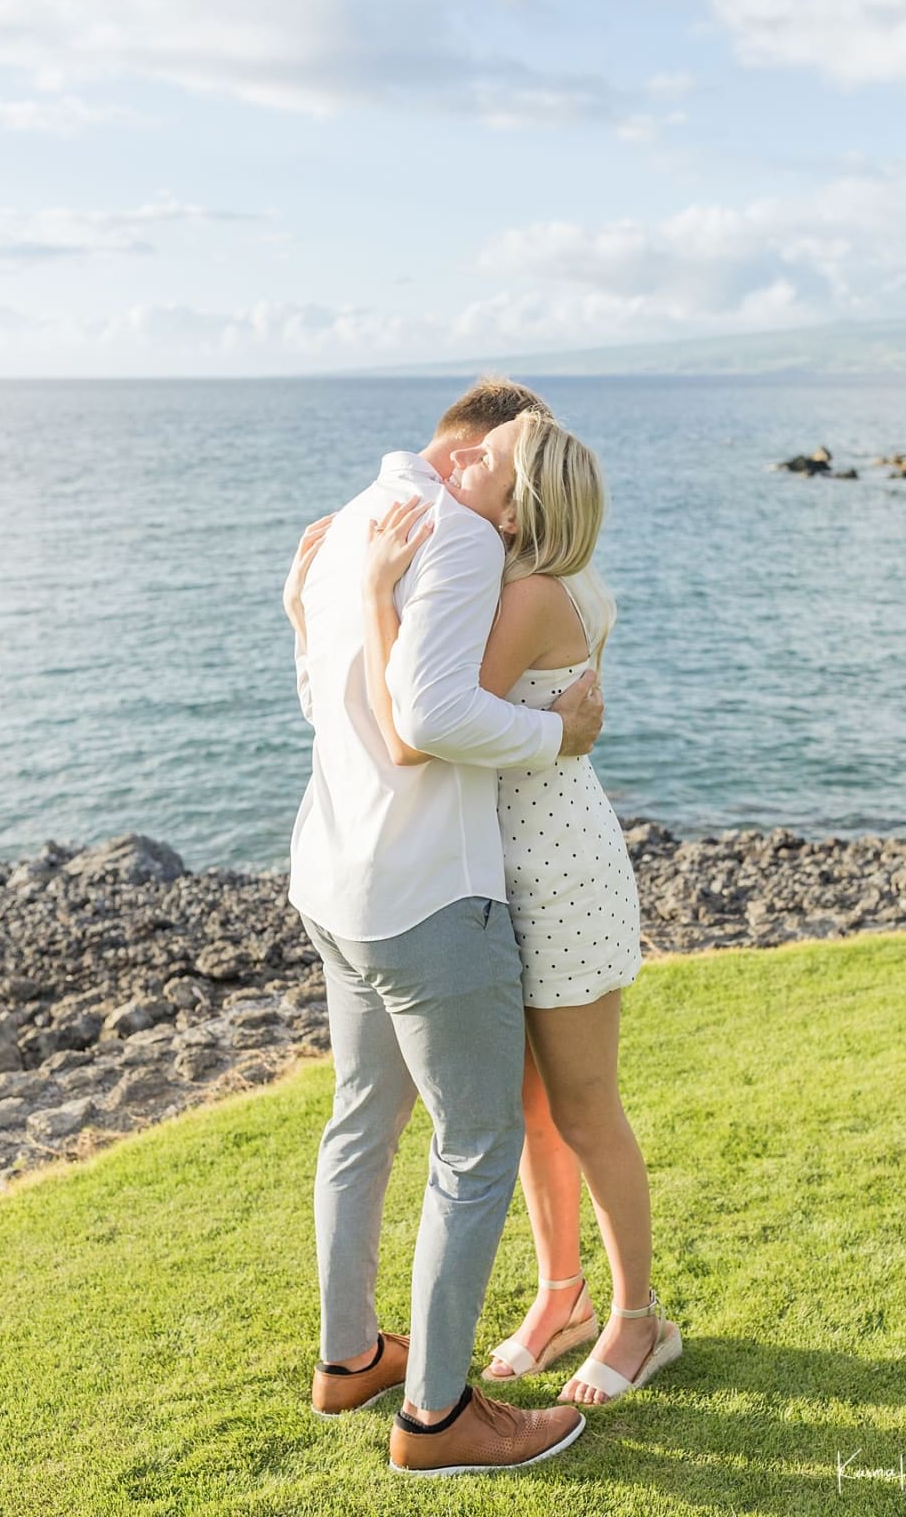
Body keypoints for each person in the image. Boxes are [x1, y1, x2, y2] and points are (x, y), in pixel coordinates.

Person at [284, 379, 604, 1477]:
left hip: (328, 876)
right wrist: (554, 732)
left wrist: (308, 606)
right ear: (485, 452)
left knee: (360, 1121)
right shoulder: (463, 535)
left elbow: (323, 707)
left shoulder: (344, 529)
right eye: (516, 442)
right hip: (422, 892)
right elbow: (422, 722)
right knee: (475, 1148)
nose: (496, 467)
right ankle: (435, 1417)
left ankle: (347, 1357)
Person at [358, 408, 682, 1407]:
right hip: (515, 870)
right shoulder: (543, 579)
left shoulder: (533, 592)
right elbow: (506, 712)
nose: (462, 462)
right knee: (534, 1113)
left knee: (583, 1109)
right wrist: (550, 719)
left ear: (520, 502)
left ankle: (637, 1322)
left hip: (560, 877)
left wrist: (375, 593)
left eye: (487, 459)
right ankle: (560, 1299)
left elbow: (416, 731)